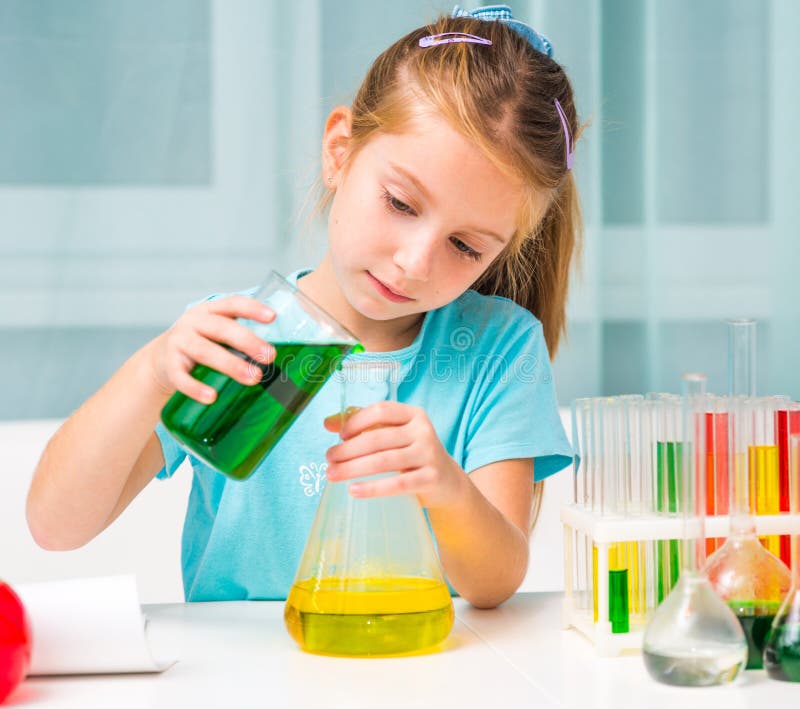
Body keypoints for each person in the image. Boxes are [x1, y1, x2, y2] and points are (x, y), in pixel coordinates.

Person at [26, 5, 582, 609]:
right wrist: (152, 371)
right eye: (400, 203)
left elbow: (496, 582)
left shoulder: (497, 349)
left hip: (417, 671)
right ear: (340, 152)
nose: (414, 263)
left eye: (465, 246)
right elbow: (56, 528)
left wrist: (444, 486)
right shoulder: (241, 340)